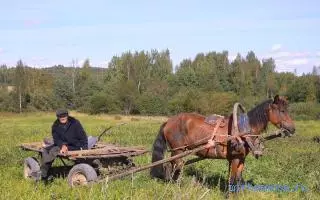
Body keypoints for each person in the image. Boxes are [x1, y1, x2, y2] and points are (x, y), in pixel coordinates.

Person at [38, 109, 88, 181]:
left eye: (64, 116)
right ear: (57, 117)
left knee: (54, 150)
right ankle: (44, 171)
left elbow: (83, 137)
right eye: (60, 116)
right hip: (62, 145)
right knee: (46, 149)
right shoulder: (55, 125)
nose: (62, 117)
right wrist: (62, 146)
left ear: (67, 115)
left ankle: (43, 173)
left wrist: (84, 151)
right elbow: (56, 139)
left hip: (75, 145)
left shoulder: (75, 123)